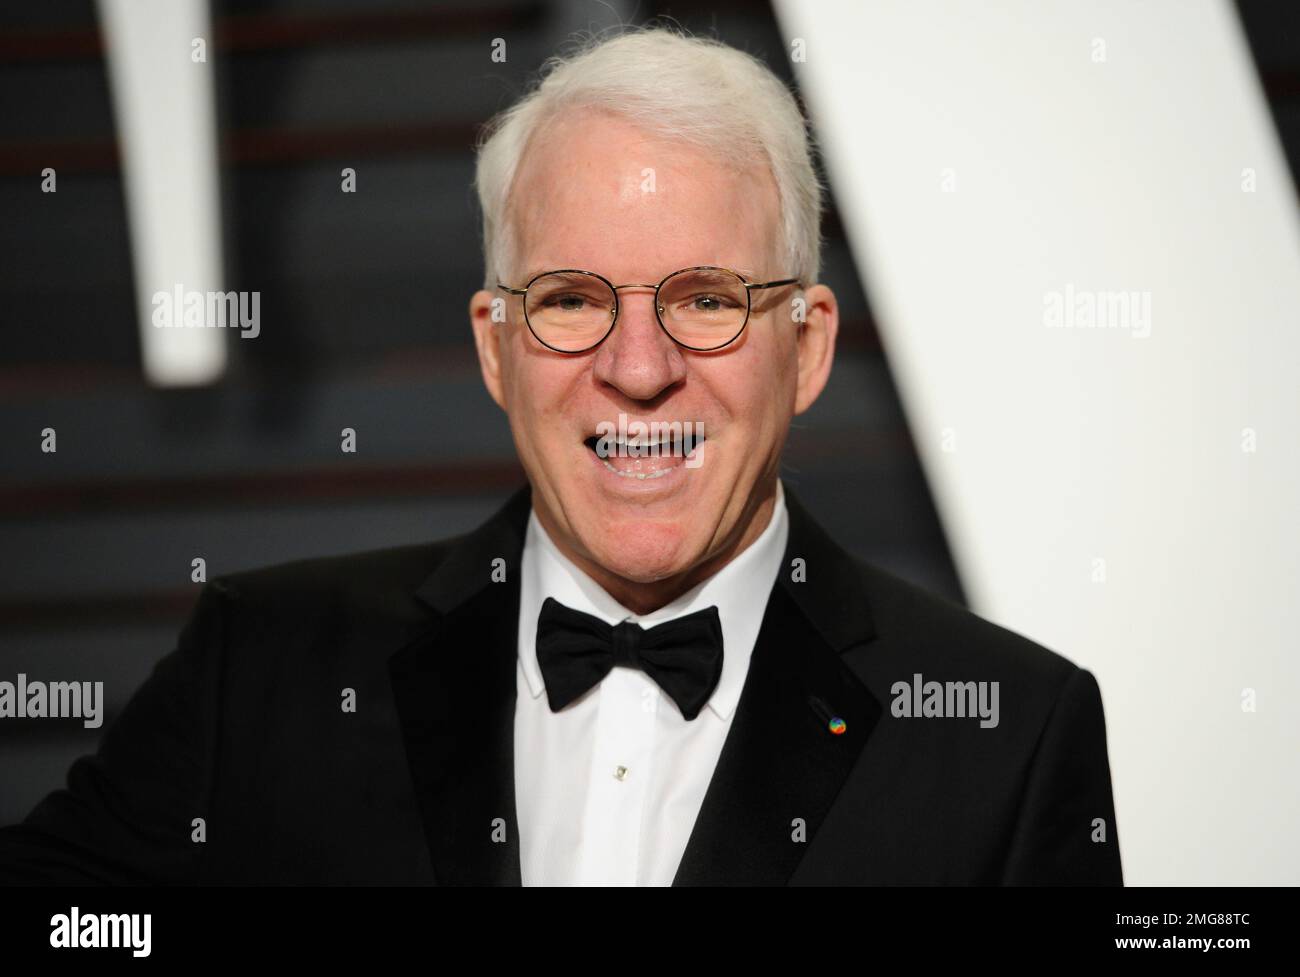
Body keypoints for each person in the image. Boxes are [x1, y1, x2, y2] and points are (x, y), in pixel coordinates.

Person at [0, 26, 1120, 885]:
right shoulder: (261, 671)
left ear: (807, 347)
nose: (639, 368)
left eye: (706, 299)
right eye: (573, 299)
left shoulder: (1009, 739)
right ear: (496, 347)